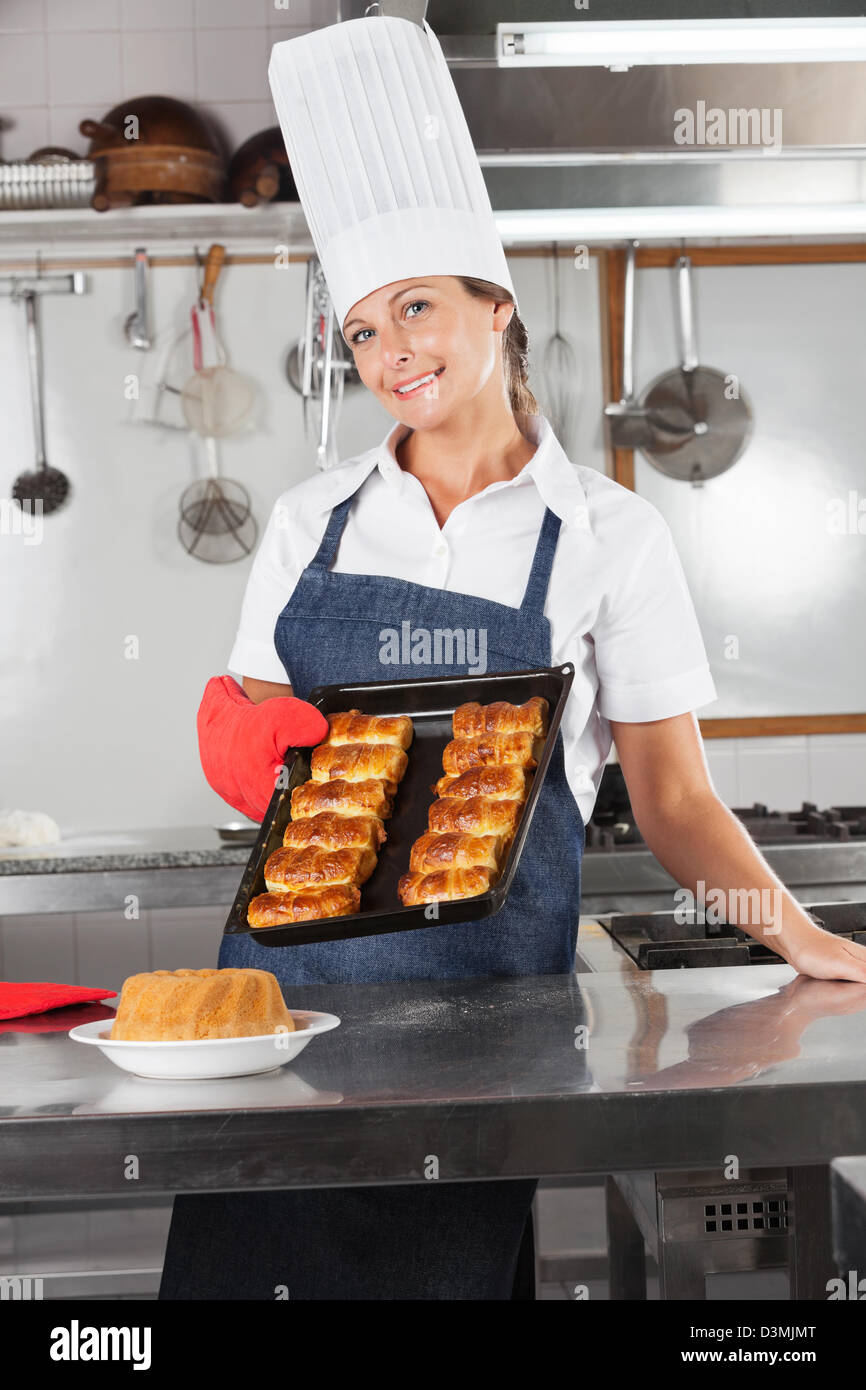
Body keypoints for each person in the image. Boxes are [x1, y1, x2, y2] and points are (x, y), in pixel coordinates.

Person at [159, 14, 866, 1304]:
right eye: (363, 331)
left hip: (486, 1019)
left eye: (416, 307)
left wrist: (798, 930)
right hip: (284, 994)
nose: (393, 353)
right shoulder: (311, 519)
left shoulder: (607, 532)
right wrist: (236, 741)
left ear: (497, 305)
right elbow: (256, 740)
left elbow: (675, 796)